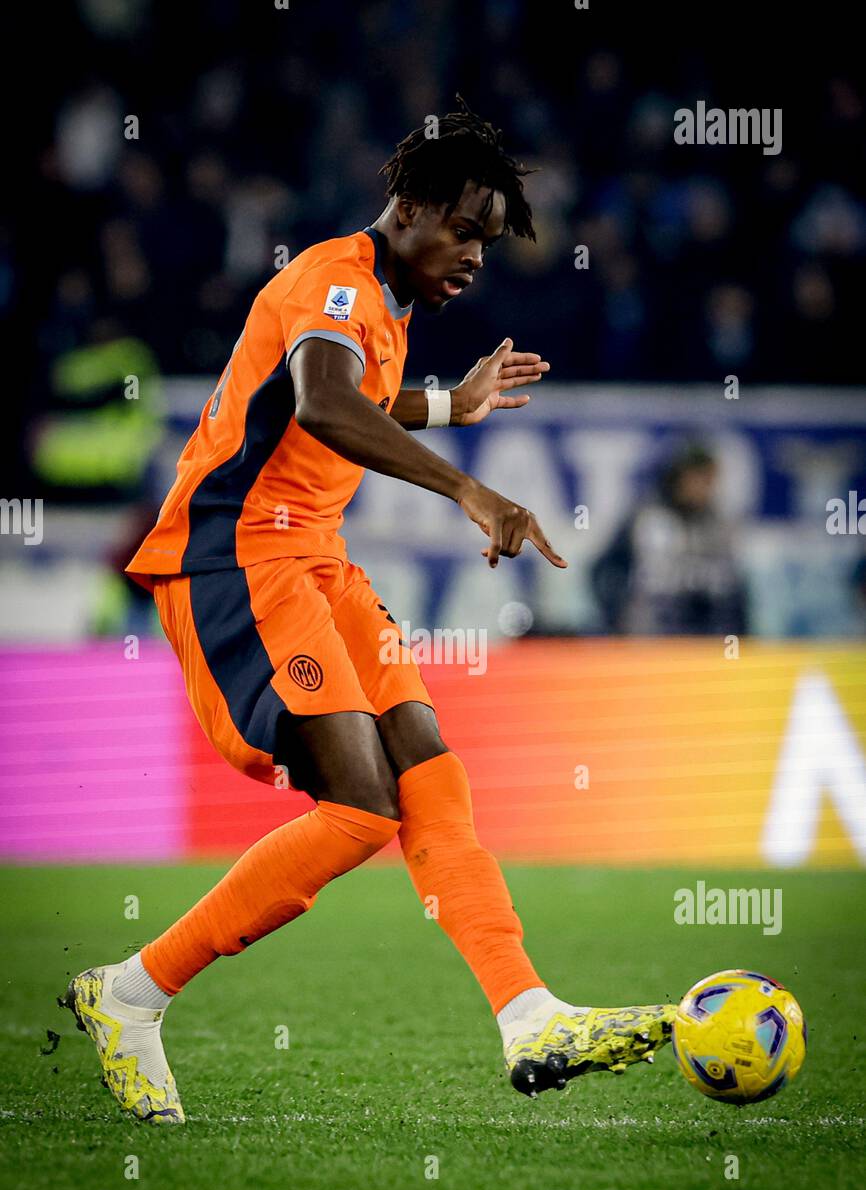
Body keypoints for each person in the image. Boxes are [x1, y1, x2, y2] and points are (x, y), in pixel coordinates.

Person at [61, 100, 673, 1123]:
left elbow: (358, 393)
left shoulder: (377, 308)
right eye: (466, 229)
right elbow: (321, 404)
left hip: (317, 560)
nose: (474, 256)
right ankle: (131, 993)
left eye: (486, 239)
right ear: (408, 206)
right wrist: (467, 487)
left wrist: (452, 404)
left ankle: (528, 1012)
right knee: (359, 806)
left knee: (429, 768)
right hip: (236, 557)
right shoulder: (334, 280)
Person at [592, 444, 747, 635]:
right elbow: (603, 570)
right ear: (679, 477)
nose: (705, 488)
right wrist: (615, 615)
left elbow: (733, 590)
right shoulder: (647, 519)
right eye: (698, 478)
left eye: (710, 481)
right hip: (650, 637)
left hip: (704, 643)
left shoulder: (720, 524)